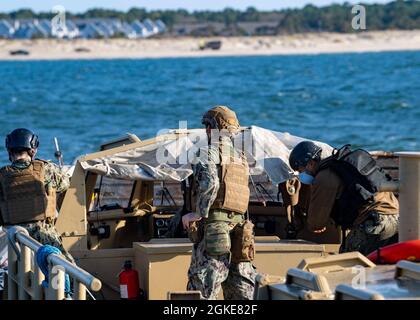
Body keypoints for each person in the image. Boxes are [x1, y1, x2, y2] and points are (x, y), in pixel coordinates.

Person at [182, 106, 257, 300]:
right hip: (241, 233)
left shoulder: (207, 152)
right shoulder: (240, 159)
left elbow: (211, 183)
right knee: (242, 292)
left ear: (210, 128)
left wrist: (197, 213)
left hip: (214, 231)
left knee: (203, 290)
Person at [289, 141, 399, 256]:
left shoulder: (324, 177)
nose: (301, 175)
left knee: (346, 261)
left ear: (311, 164)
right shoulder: (341, 164)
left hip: (376, 223)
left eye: (300, 170)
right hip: (396, 217)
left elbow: (316, 223)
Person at [0, 128, 73, 263]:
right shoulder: (46, 169)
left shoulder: (2, 176)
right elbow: (64, 184)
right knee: (69, 269)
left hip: (15, 237)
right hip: (43, 235)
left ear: (10, 151)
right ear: (32, 150)